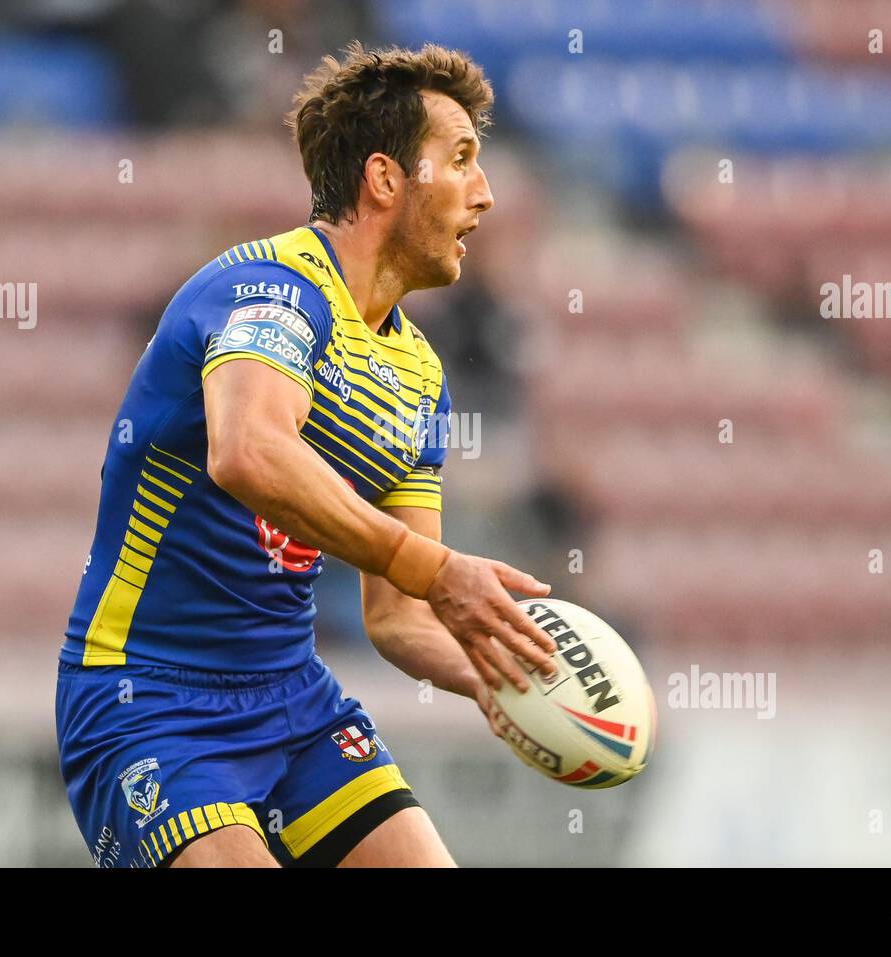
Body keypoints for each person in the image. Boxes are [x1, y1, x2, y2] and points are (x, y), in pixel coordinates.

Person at [56, 41, 556, 869]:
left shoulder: (419, 372)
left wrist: (504, 675)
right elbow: (247, 452)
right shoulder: (270, 288)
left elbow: (397, 615)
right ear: (386, 178)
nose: (486, 192)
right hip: (149, 698)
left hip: (296, 702)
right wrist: (434, 569)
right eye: (461, 159)